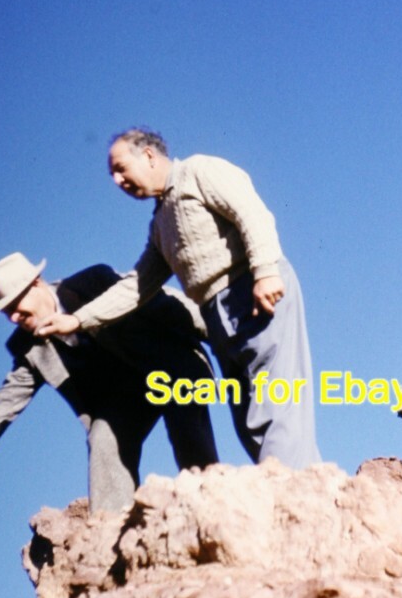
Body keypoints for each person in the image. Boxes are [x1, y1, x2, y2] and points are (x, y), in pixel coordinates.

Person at [36, 130, 321, 469]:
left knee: (275, 404)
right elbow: (138, 285)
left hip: (255, 292)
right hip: (217, 316)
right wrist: (79, 320)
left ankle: (293, 497)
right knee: (248, 418)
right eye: (112, 174)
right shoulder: (160, 223)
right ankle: (308, 497)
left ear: (149, 156)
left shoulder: (198, 172)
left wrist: (265, 270)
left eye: (121, 168)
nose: (117, 180)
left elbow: (250, 211)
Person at [0, 251, 218, 514]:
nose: (14, 317)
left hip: (171, 365)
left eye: (15, 304)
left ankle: (209, 498)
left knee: (186, 414)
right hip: (127, 396)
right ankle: (111, 531)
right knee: (103, 436)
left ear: (36, 283)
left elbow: (164, 303)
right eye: (6, 312)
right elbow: (4, 401)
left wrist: (222, 335)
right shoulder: (28, 346)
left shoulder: (92, 282)